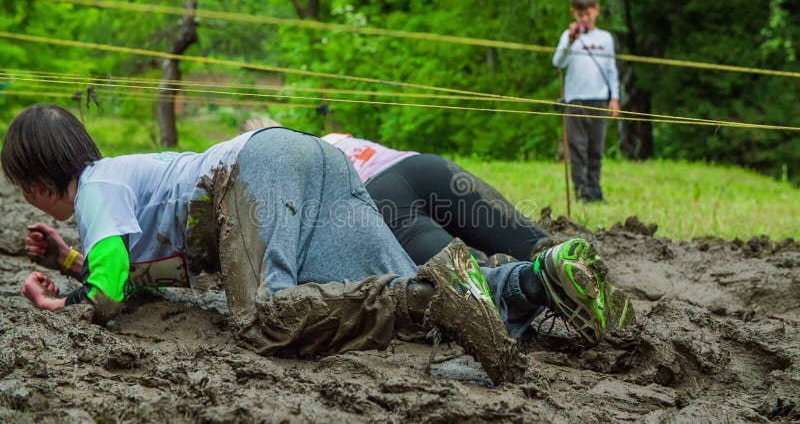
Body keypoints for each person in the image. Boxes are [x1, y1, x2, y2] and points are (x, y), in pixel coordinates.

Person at [4, 105, 634, 385]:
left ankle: (426, 295)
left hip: (249, 176)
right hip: (310, 155)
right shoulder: (118, 182)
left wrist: (80, 306)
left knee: (263, 322)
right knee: (381, 288)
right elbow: (138, 270)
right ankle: (538, 280)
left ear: (33, 184)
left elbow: (112, 278)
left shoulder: (94, 188)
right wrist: (65, 263)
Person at [319, 131, 553, 266]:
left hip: (378, 195)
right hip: (424, 167)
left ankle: (499, 275)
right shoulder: (330, 138)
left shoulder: (297, 163)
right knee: (535, 245)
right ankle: (562, 264)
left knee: (469, 272)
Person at [552, 0, 620, 203]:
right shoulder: (568, 36)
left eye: (588, 14)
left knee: (595, 150)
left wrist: (614, 98)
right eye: (580, 15)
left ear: (596, 11)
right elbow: (558, 63)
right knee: (578, 149)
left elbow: (612, 69)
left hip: (599, 99)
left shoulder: (606, 38)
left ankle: (596, 192)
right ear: (574, 14)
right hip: (575, 100)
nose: (585, 18)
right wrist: (570, 42)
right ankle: (582, 194)